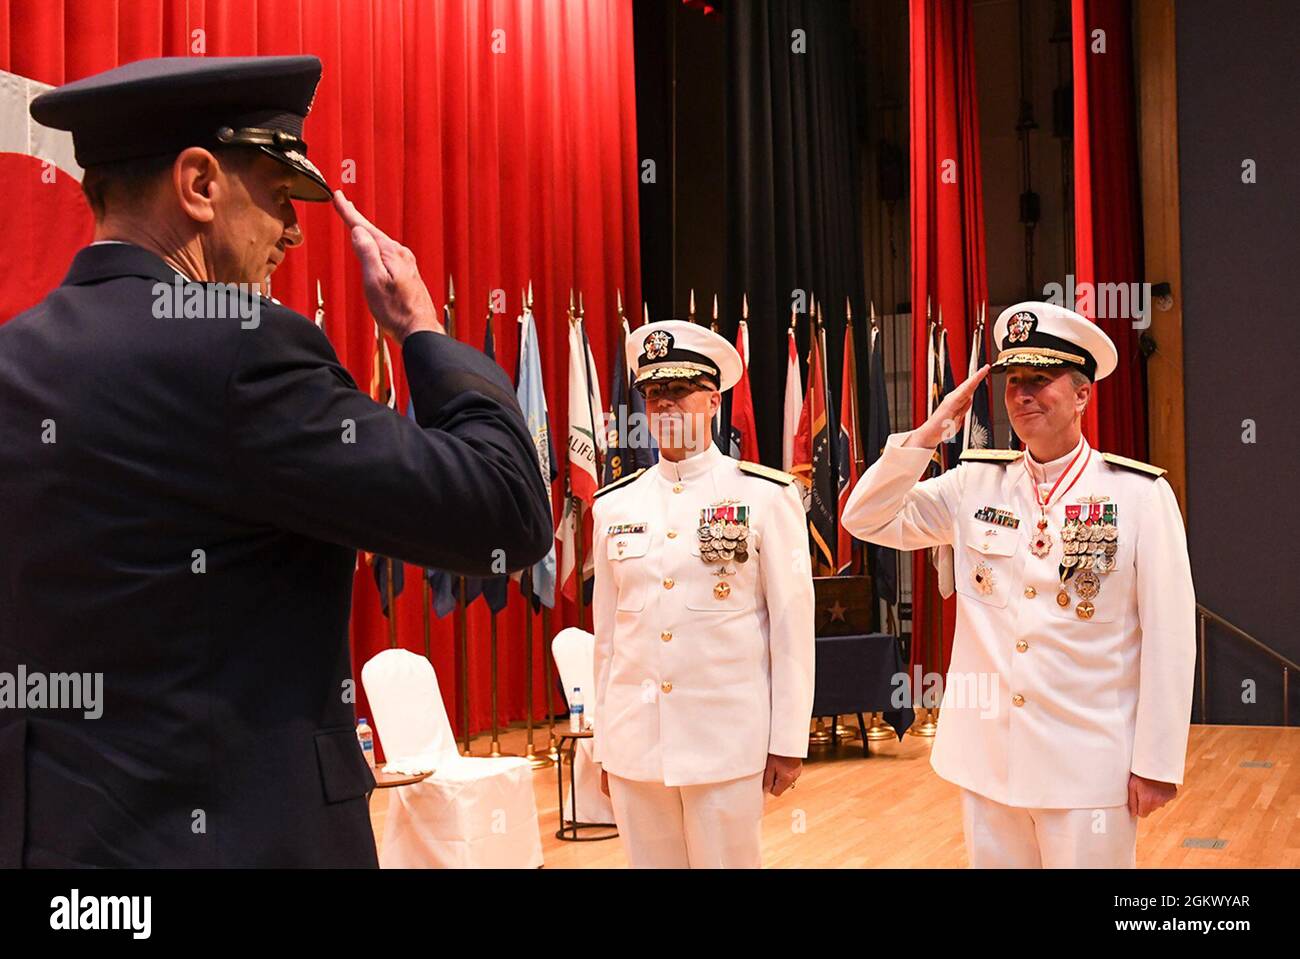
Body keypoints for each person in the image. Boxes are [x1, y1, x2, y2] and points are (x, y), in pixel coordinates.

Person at [0, 55, 553, 867]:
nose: (293, 232)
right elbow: (505, 510)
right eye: (279, 195)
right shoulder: (239, 352)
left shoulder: (12, 359)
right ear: (198, 183)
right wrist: (424, 337)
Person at [841, 301, 1196, 868]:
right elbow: (864, 518)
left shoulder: (1137, 496)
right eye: (1013, 382)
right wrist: (930, 432)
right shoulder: (976, 484)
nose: (1023, 394)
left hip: (1087, 769)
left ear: (1082, 393)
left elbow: (1171, 639)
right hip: (988, 764)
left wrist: (1155, 763)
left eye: (1041, 379)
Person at [590, 319, 815, 868]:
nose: (663, 404)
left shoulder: (764, 496)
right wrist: (603, 742)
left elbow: (791, 627)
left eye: (679, 389)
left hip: (725, 741)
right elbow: (607, 638)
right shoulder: (614, 505)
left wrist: (788, 739)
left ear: (713, 400)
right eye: (652, 392)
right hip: (635, 742)